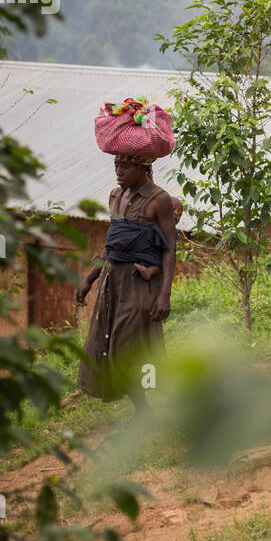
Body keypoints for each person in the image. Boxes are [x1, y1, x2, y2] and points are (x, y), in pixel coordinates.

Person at [74, 153, 178, 419]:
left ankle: (183, 400)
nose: (119, 171)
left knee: (127, 347)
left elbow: (169, 249)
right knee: (108, 345)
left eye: (126, 166)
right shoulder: (115, 197)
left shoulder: (159, 200)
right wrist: (89, 278)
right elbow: (113, 246)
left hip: (140, 283)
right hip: (112, 283)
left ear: (143, 167)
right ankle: (144, 412)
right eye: (116, 165)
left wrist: (164, 295)